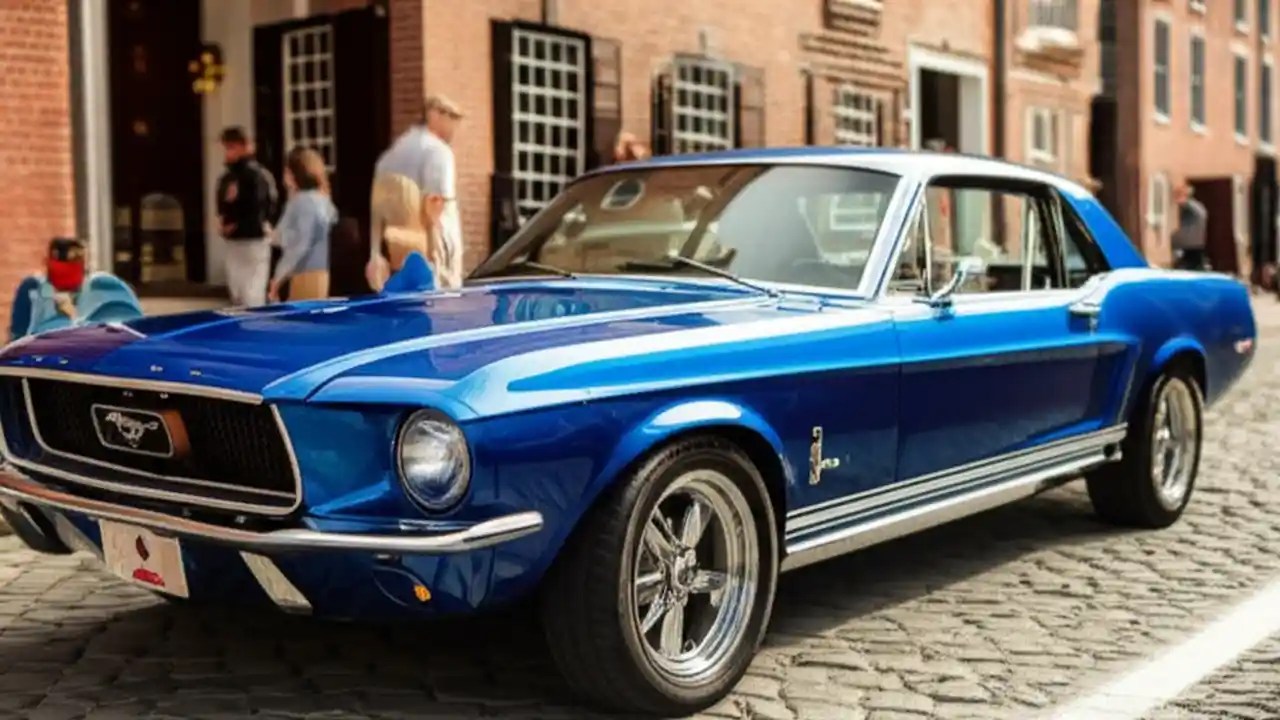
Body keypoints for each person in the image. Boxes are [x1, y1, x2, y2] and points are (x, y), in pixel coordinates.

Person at [366, 94, 465, 291]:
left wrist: (375, 254)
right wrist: (446, 267)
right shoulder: (438, 152)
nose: (455, 126)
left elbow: (376, 213)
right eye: (452, 118)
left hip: (395, 255)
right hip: (429, 257)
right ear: (434, 115)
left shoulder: (388, 157)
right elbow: (436, 206)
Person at [216, 127, 279, 306]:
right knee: (237, 292)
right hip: (234, 242)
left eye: (231, 147)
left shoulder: (258, 176)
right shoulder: (227, 177)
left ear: (246, 147)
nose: (227, 153)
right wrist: (222, 223)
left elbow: (264, 208)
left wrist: (238, 224)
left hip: (254, 241)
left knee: (252, 294)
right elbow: (222, 205)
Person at [268, 147, 337, 303]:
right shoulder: (322, 199)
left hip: (302, 272)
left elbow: (299, 244)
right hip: (321, 272)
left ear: (293, 174)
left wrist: (278, 276)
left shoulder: (300, 202)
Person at [1171, 183, 1209, 271]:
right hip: (1190, 246)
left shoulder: (1194, 208)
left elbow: (1185, 203)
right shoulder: (1194, 208)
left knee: (1189, 270)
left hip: (1190, 248)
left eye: (1178, 195)